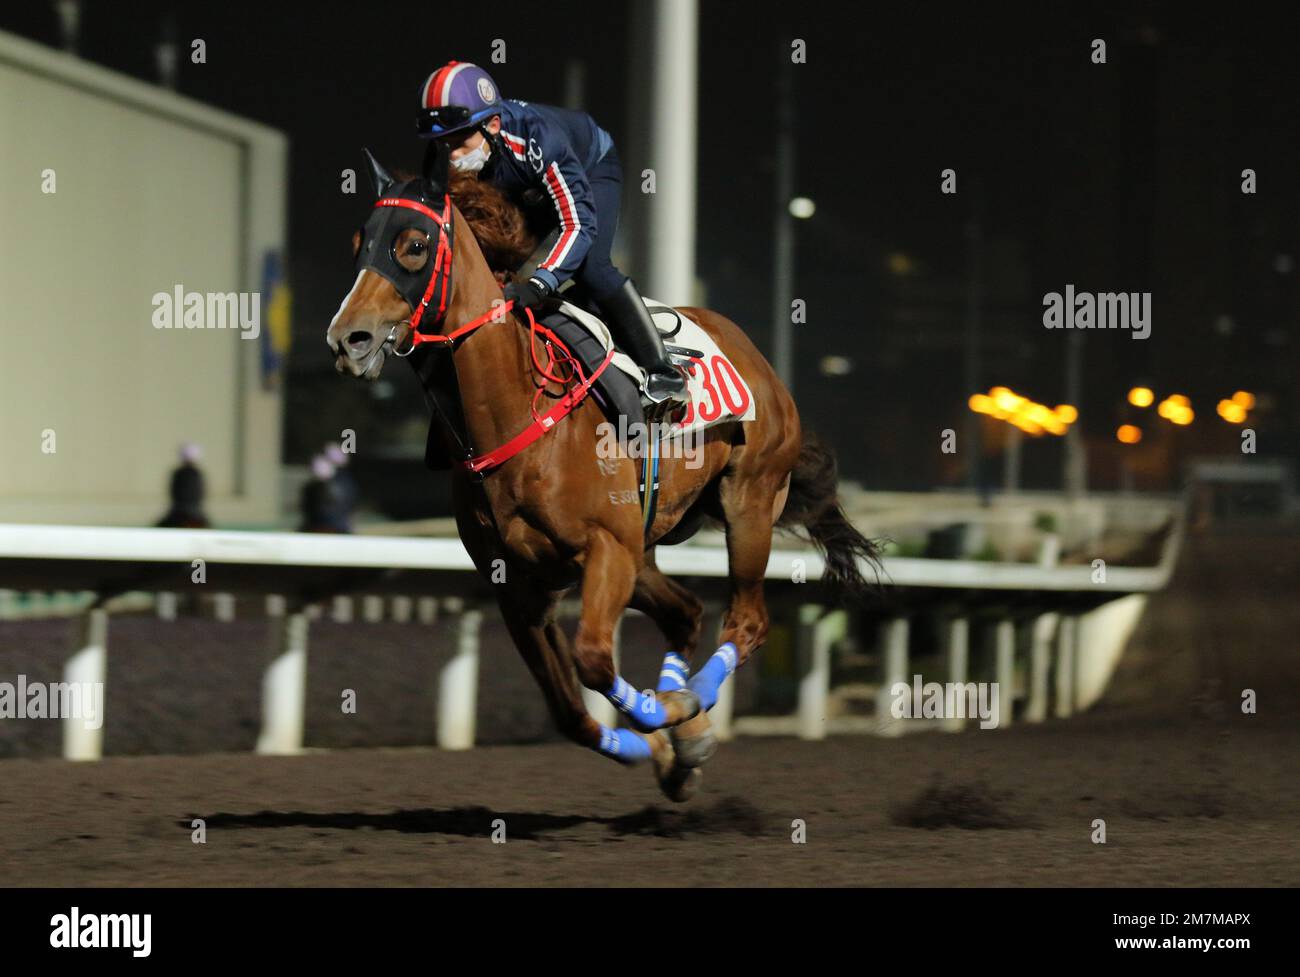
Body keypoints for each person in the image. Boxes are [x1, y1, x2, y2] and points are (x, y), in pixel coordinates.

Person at [415, 60, 687, 403]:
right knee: (492, 270)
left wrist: (540, 284)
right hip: (525, 186)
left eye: (460, 140)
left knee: (591, 268)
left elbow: (579, 224)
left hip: (589, 168)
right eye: (442, 143)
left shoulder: (538, 139)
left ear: (493, 125)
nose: (452, 156)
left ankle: (661, 369)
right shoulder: (441, 159)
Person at [156, 442, 210, 529]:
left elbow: (174, 493)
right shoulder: (196, 474)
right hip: (194, 512)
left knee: (159, 528)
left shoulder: (179, 473)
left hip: (180, 512)